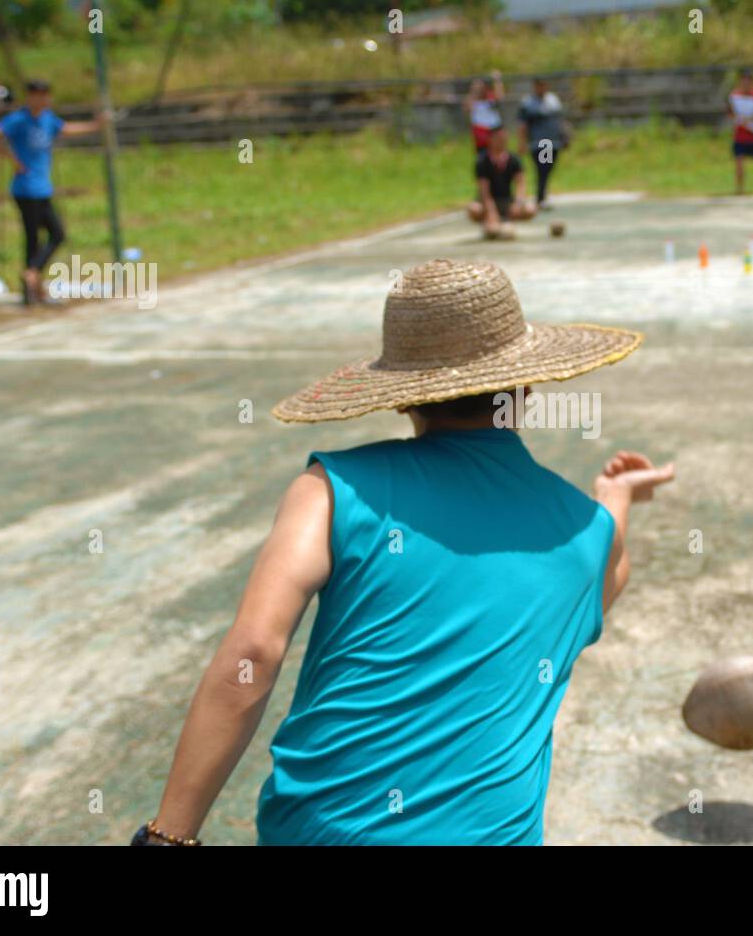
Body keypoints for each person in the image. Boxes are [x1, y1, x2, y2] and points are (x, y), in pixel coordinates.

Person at [133, 258, 674, 846]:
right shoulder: (586, 537)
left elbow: (255, 654)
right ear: (525, 388)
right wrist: (614, 497)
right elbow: (610, 561)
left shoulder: (333, 491)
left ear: (404, 398)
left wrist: (168, 837)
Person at [0, 79, 104, 304]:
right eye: (38, 95)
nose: (43, 99)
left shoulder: (47, 119)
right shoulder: (19, 120)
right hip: (25, 188)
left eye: (45, 95)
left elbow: (66, 128)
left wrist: (95, 125)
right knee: (33, 238)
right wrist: (12, 159)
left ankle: (33, 277)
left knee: (56, 234)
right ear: (29, 97)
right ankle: (31, 283)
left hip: (43, 188)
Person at [467, 127, 536, 239]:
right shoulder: (482, 161)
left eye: (504, 138)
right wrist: (491, 212)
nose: (502, 141)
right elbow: (484, 191)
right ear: (490, 139)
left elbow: (521, 183)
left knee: (530, 208)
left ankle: (505, 220)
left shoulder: (514, 159)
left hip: (507, 201)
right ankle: (491, 221)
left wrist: (518, 203)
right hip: (488, 202)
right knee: (473, 209)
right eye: (499, 138)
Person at [518, 77, 569, 209]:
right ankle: (541, 198)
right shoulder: (528, 103)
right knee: (543, 169)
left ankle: (542, 195)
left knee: (548, 169)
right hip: (541, 143)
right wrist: (522, 142)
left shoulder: (553, 100)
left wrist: (565, 136)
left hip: (554, 142)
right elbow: (523, 125)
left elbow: (559, 120)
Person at [464, 71, 504, 153]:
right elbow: (467, 109)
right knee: (483, 155)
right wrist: (474, 91)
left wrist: (497, 81)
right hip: (480, 131)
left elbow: (500, 97)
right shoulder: (473, 100)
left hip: (494, 129)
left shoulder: (490, 96)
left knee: (498, 153)